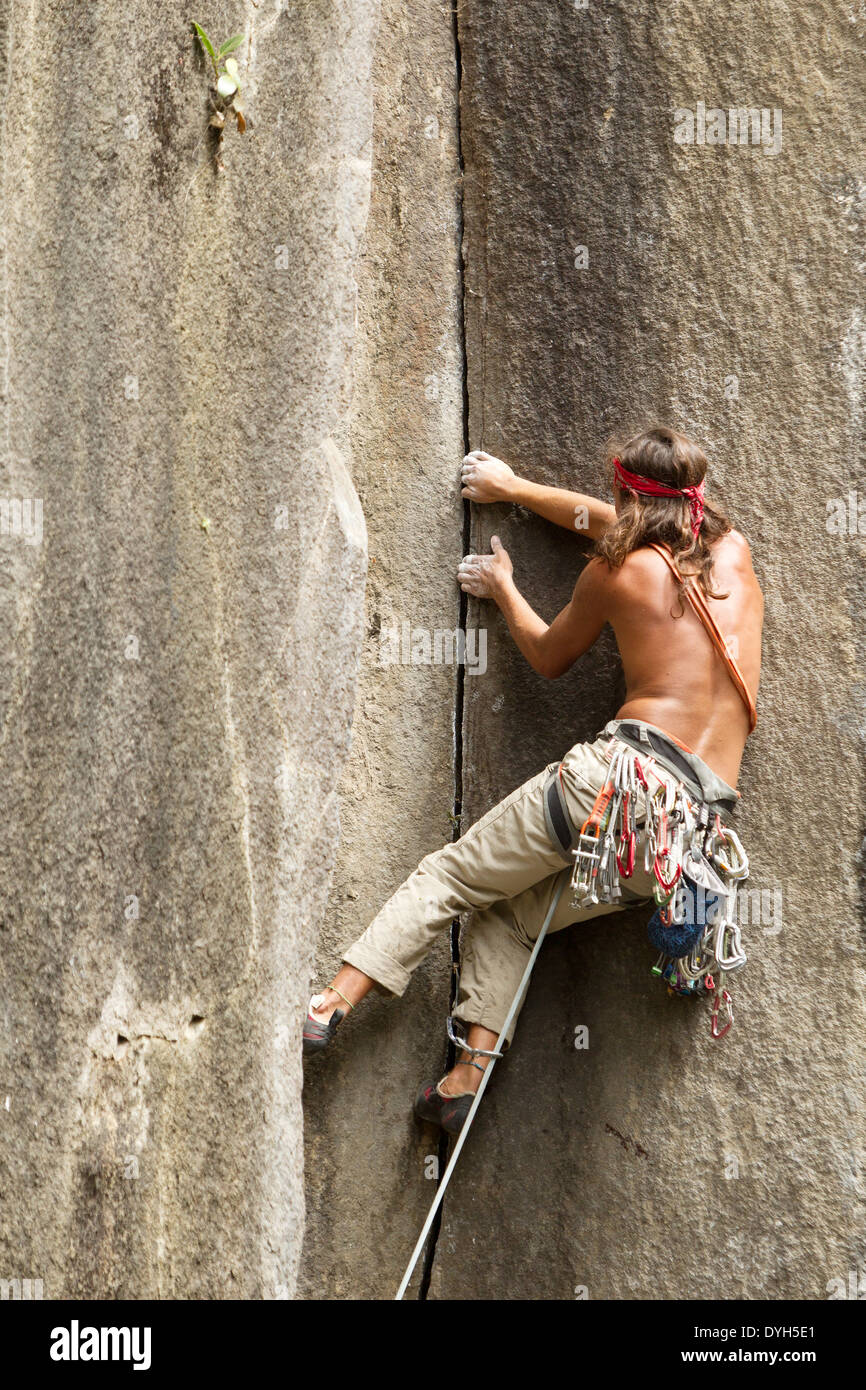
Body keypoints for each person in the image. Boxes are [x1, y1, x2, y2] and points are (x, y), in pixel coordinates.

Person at [303, 426, 763, 1134]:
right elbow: (629, 521)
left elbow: (550, 654)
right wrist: (514, 489)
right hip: (682, 846)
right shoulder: (736, 554)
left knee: (451, 877)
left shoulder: (617, 573)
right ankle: (462, 1083)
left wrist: (504, 586)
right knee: (511, 914)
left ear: (628, 497)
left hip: (611, 787)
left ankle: (329, 1004)